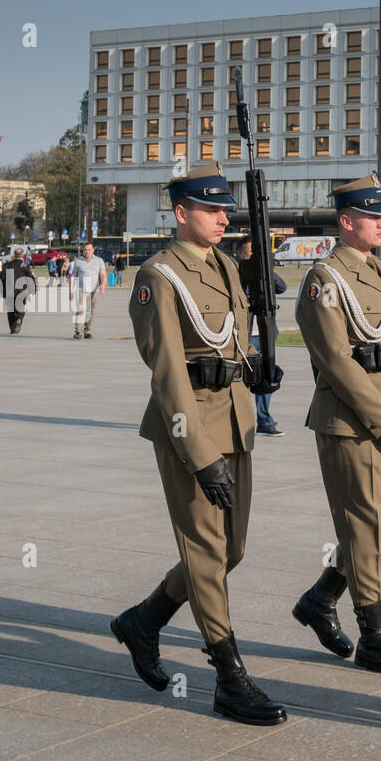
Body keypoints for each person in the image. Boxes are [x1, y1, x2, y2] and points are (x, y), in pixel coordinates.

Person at [110, 161, 285, 727]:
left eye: (226, 208)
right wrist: (199, 454)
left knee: (231, 550)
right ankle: (230, 679)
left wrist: (255, 368)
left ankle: (144, 620)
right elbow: (167, 373)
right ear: (181, 213)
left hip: (235, 420)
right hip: (191, 431)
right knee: (207, 555)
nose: (222, 217)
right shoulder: (158, 276)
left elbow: (225, 344)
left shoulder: (227, 268)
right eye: (212, 209)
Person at [291, 174, 381, 676]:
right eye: (374, 216)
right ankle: (374, 637)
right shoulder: (324, 280)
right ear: (347, 222)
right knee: (364, 526)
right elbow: (336, 361)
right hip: (350, 422)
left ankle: (321, 597)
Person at [237, 236, 287, 436]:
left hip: (264, 334)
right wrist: (247, 271)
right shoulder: (236, 273)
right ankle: (240, 420)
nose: (253, 256)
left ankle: (264, 421)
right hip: (245, 336)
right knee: (241, 380)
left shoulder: (264, 273)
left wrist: (265, 268)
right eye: (250, 252)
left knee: (266, 377)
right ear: (240, 253)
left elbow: (281, 287)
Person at [68, 241, 108, 339]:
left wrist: (103, 285)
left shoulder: (99, 261)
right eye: (85, 250)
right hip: (81, 289)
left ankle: (88, 331)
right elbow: (73, 276)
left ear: (93, 250)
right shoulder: (78, 262)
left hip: (94, 290)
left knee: (90, 311)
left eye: (89, 250)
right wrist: (70, 290)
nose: (87, 251)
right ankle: (78, 332)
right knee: (81, 310)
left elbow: (103, 274)